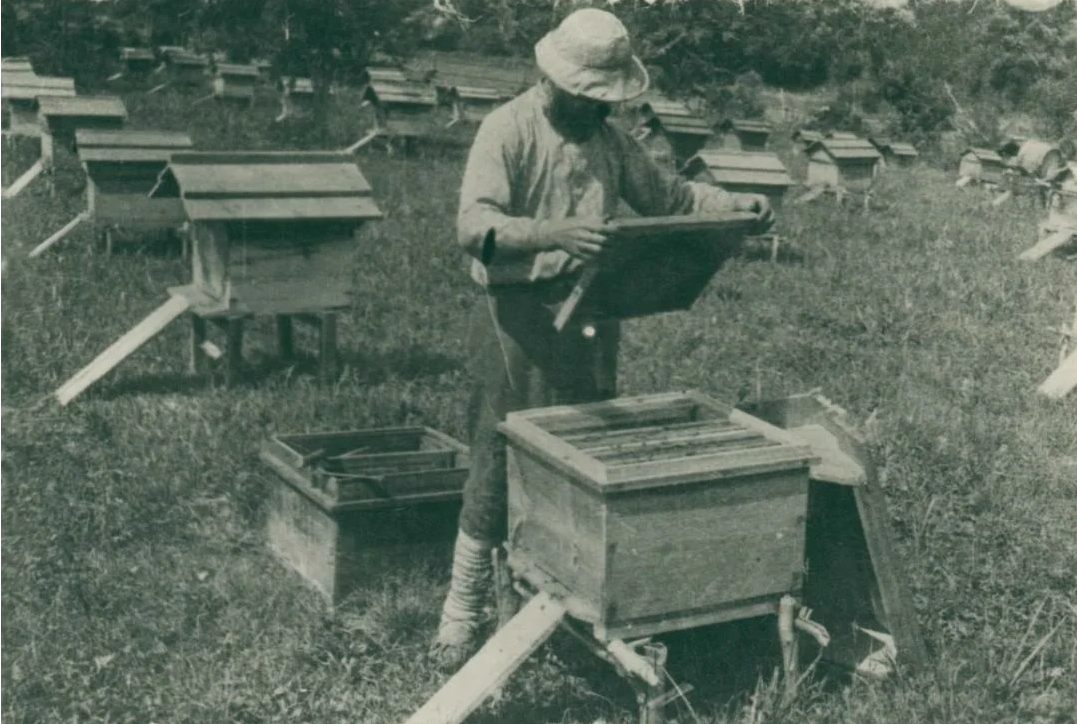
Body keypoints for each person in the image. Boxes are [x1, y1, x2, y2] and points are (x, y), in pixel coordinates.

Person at [431, 7, 775, 669]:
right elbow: (473, 225)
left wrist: (735, 204)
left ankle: (564, 601)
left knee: (582, 458)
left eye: (603, 98)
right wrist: (552, 233)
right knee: (497, 458)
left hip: (590, 311)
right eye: (586, 95)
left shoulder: (611, 140)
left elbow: (670, 196)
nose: (595, 107)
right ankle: (461, 613)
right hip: (517, 315)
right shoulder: (506, 128)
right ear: (555, 79)